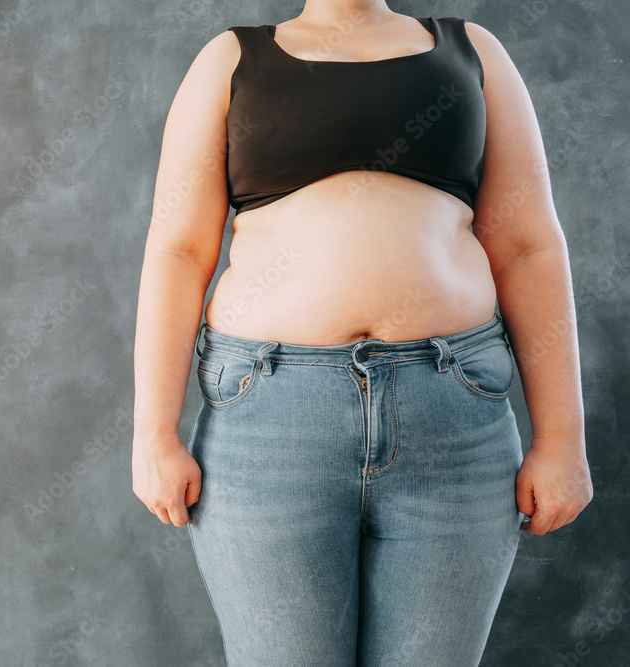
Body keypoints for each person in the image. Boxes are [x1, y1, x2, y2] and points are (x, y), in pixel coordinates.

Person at [131, 1, 593, 665]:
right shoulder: (231, 62)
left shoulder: (472, 53)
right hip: (269, 424)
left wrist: (562, 439)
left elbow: (528, 247)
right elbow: (177, 250)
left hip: (454, 421)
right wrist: (154, 432)